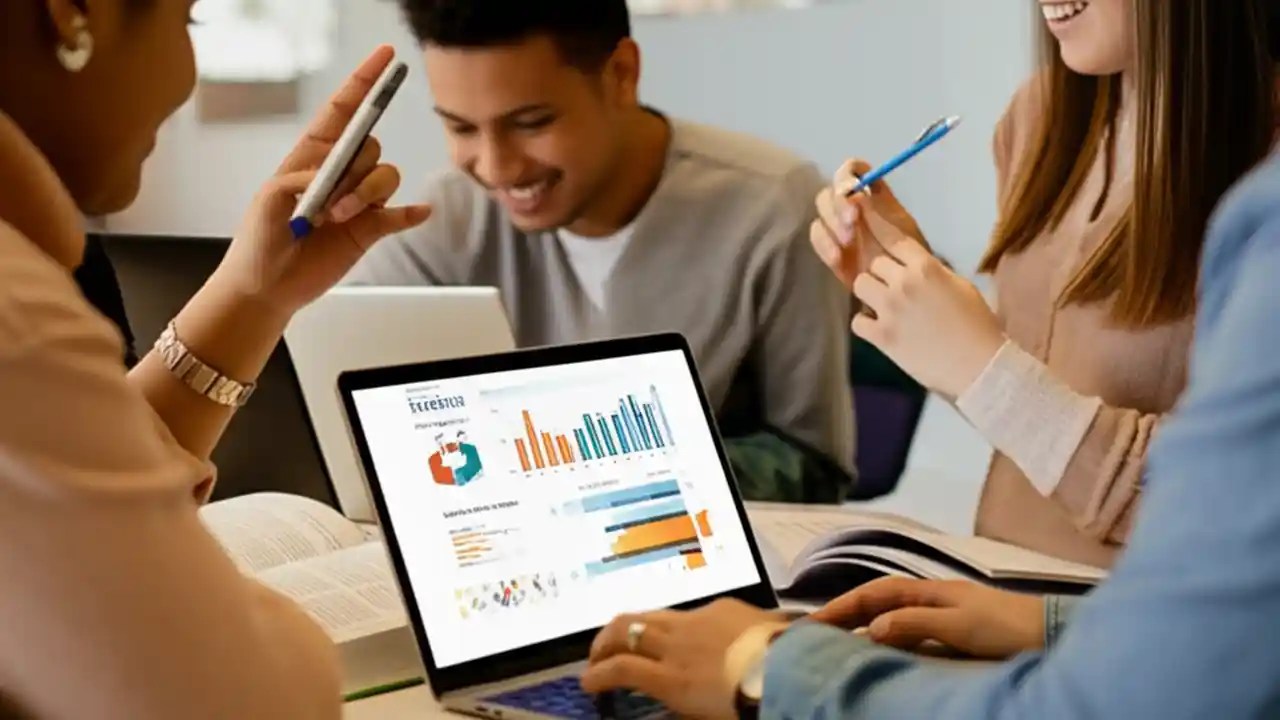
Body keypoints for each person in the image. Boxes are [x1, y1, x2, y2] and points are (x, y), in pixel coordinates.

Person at [580, 135, 1280, 720]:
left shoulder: (1262, 205)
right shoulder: (1041, 119)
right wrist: (1050, 621)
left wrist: (765, 668)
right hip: (1049, 615)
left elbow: (1111, 698)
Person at [0, 0, 430, 712]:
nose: (186, 77)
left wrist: (254, 296)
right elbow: (249, 699)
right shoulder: (18, 313)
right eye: (187, 21)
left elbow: (52, 477)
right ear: (75, 16)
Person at [811, 0, 1278, 565]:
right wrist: (909, 288)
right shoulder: (1038, 118)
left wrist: (979, 365)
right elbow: (1028, 408)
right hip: (995, 577)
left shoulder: (1266, 173)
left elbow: (1234, 504)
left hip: (1133, 607)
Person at [344, 0, 857, 503]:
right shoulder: (443, 220)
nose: (496, 168)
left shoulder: (774, 208)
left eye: (531, 122)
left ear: (621, 75)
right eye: (461, 128)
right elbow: (346, 412)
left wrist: (591, 474)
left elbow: (812, 462)